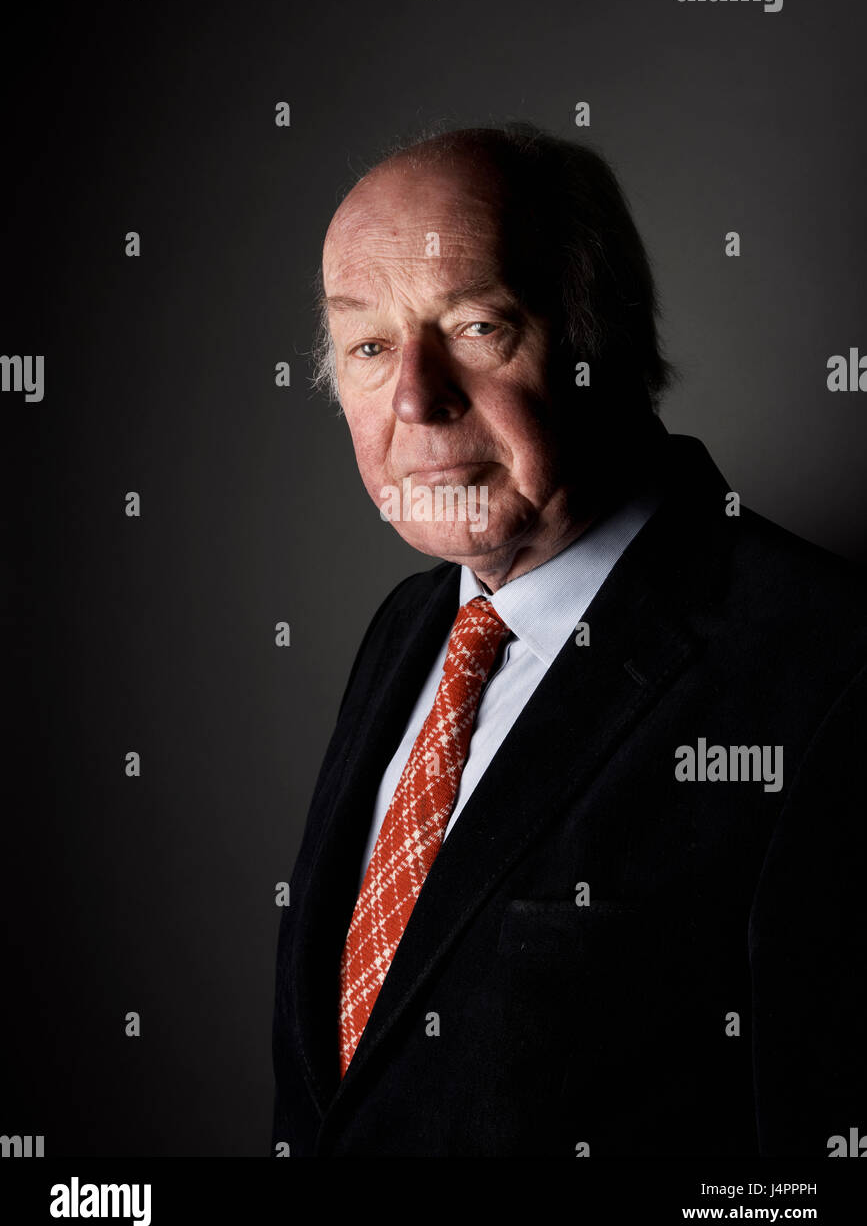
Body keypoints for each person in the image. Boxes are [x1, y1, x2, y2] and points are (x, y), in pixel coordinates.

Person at [271, 123, 867, 1157]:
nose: (416, 397)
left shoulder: (829, 675)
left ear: (605, 340)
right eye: (370, 346)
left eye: (477, 327)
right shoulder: (408, 633)